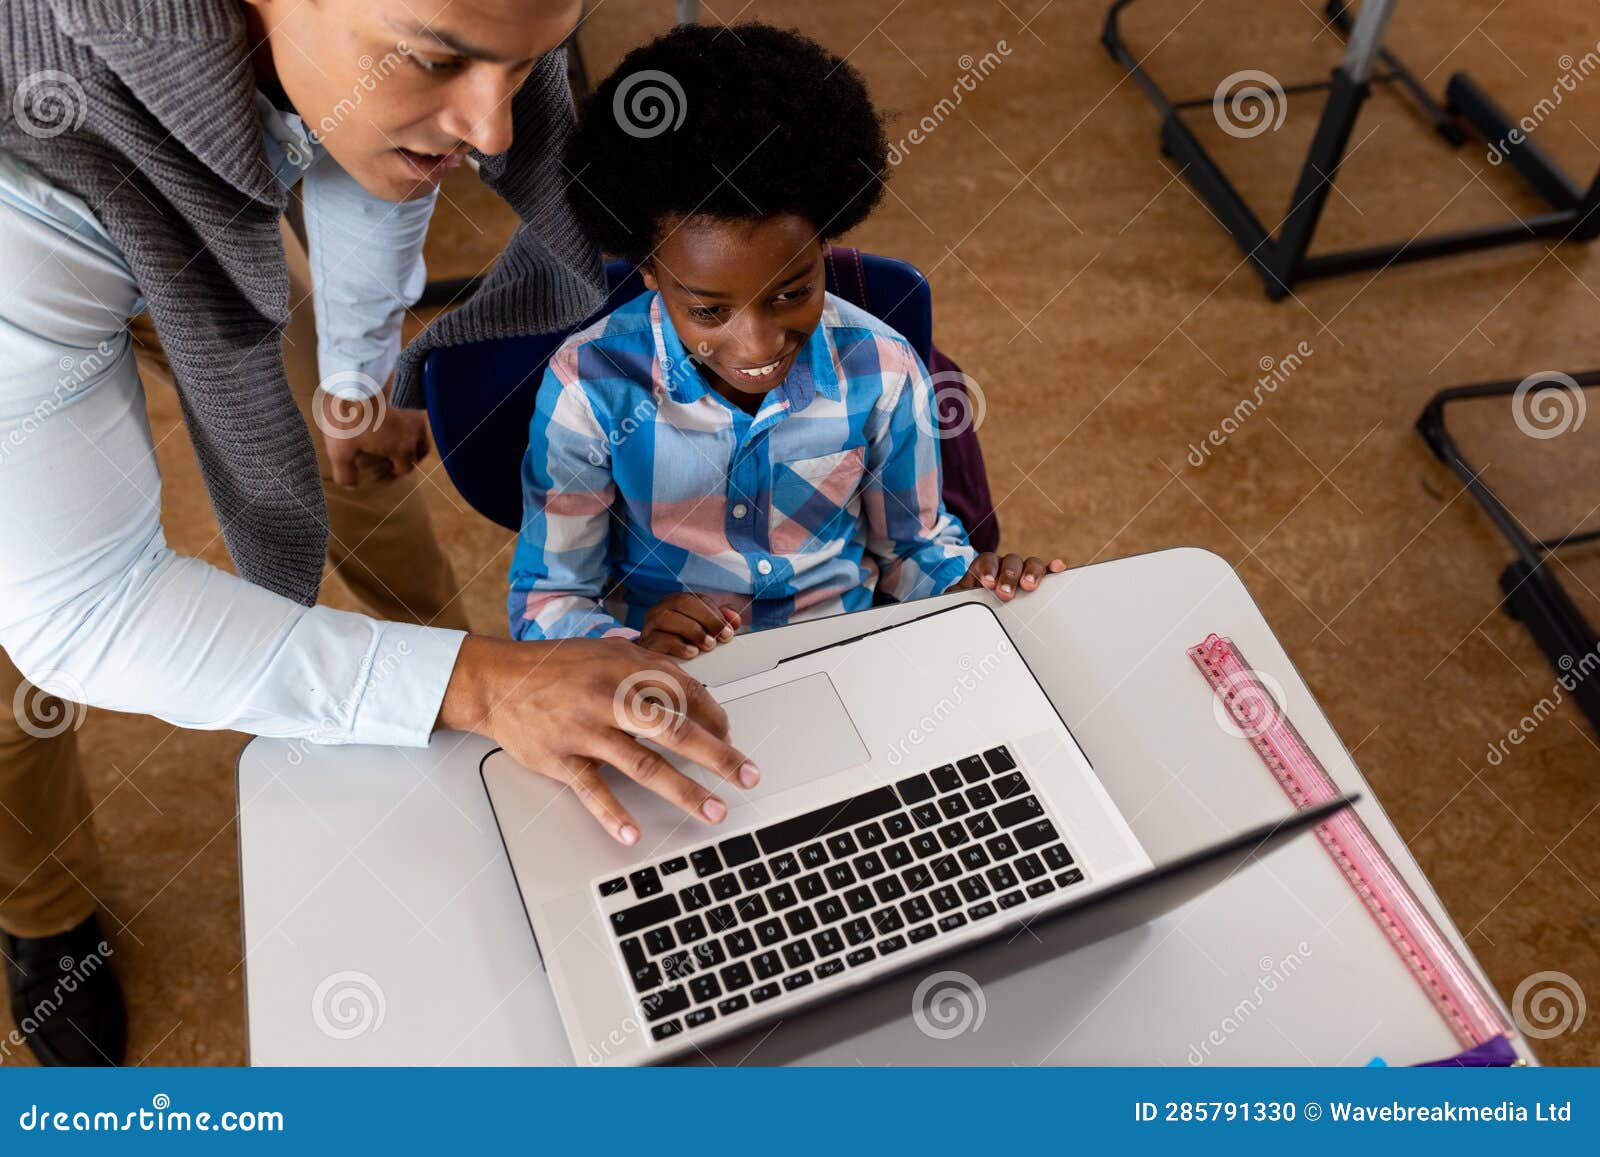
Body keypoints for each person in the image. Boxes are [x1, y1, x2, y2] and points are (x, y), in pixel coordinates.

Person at [0, 0, 752, 1067]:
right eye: (439, 58)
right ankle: (43, 913)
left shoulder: (376, 48)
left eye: (525, 64)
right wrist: (486, 684)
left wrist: (355, 379)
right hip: (36, 209)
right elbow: (83, 608)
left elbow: (375, 145)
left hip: (199, 161)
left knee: (341, 452)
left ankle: (453, 715)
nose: (495, 131)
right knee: (14, 681)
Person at [508, 23, 1064, 659]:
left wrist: (970, 584)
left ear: (825, 245)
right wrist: (633, 643)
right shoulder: (591, 385)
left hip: (851, 655)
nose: (755, 345)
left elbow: (912, 552)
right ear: (651, 273)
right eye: (708, 310)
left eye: (791, 293)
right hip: (676, 680)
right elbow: (548, 601)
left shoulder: (881, 369)